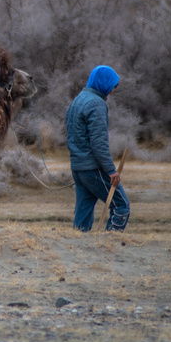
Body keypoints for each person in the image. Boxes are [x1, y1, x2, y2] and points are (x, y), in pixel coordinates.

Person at [65, 65, 130, 231]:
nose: (112, 92)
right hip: (93, 169)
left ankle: (78, 249)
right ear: (103, 83)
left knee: (83, 216)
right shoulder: (96, 103)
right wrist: (111, 171)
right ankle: (110, 245)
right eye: (111, 87)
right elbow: (98, 143)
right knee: (121, 206)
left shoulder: (77, 100)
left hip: (78, 169)